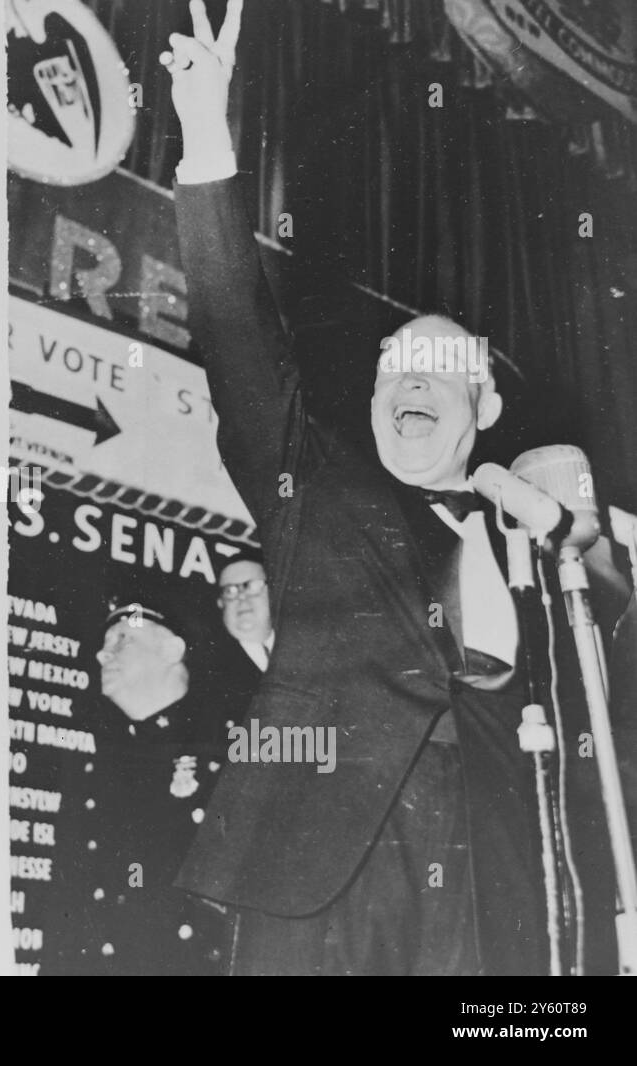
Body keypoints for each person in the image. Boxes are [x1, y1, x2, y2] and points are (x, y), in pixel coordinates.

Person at [163, 0, 632, 974]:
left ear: (484, 411)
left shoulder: (538, 539)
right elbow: (235, 334)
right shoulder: (315, 490)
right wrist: (206, 136)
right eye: (393, 368)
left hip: (506, 877)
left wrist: (584, 543)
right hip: (329, 874)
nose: (409, 380)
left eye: (437, 368)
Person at [44, 600, 231, 975]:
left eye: (123, 639)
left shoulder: (230, 751)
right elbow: (73, 907)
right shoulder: (97, 766)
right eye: (104, 642)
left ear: (171, 650)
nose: (102, 654)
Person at [216, 551, 272, 675]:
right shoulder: (208, 667)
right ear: (221, 603)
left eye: (252, 586)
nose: (241, 597)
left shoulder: (308, 648)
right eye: (230, 590)